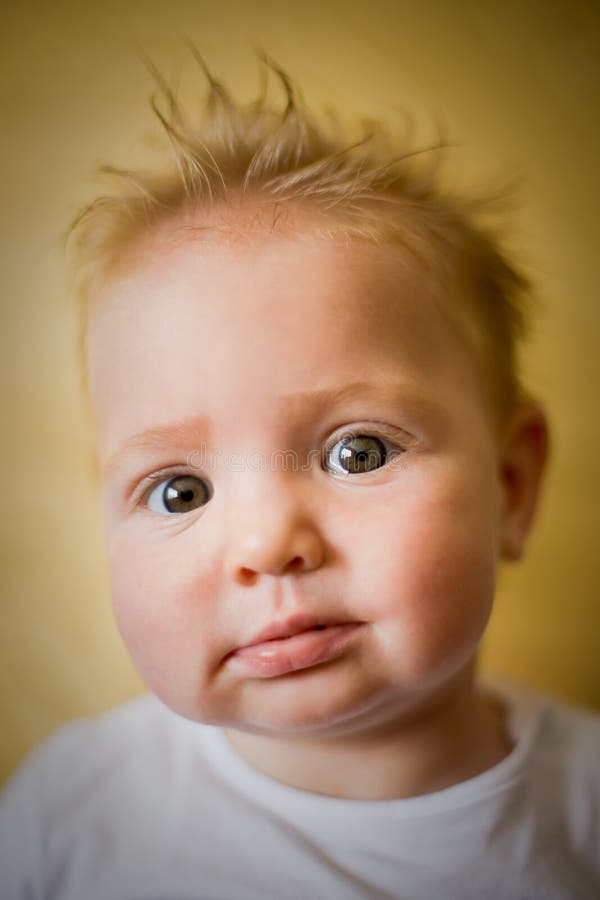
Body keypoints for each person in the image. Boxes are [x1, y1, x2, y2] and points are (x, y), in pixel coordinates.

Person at [1, 53, 599, 900]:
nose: (264, 543)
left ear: (513, 484)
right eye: (181, 491)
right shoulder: (68, 815)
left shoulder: (582, 816)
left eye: (358, 452)